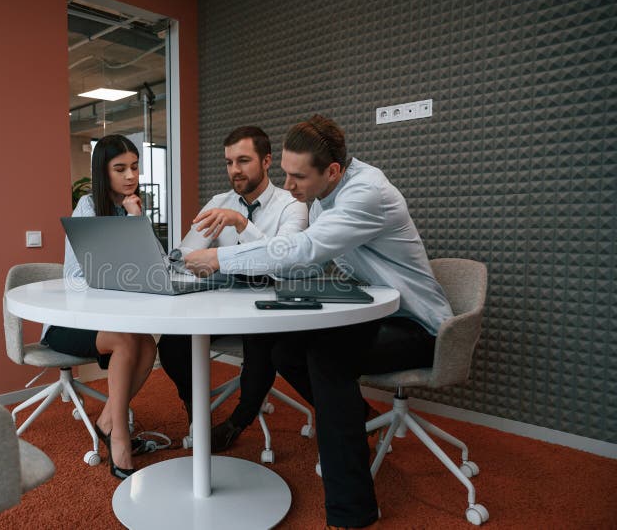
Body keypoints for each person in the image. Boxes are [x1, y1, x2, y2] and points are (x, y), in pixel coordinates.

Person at [184, 115, 453, 528]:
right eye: (286, 174)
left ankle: (352, 513)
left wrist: (222, 256)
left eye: (297, 176)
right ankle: (356, 420)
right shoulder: (329, 193)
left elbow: (305, 248)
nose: (288, 186)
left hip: (417, 324)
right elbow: (302, 260)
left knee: (328, 360)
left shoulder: (367, 192)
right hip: (375, 311)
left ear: (332, 170)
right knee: (286, 348)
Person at [157, 126, 308, 451]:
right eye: (229, 162)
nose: (234, 170)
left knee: (261, 342)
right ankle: (197, 411)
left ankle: (239, 420)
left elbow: (282, 260)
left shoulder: (291, 206)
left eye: (243, 160)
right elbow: (187, 252)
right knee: (171, 344)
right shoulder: (218, 202)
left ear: (267, 161)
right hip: (222, 303)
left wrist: (241, 224)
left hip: (271, 300)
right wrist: (181, 257)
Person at [43, 134, 158, 480]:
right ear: (103, 171)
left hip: (112, 320)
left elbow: (155, 266)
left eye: (134, 167)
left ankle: (107, 419)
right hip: (71, 320)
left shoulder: (133, 207)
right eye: (120, 168)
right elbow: (76, 276)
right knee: (125, 341)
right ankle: (119, 435)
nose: (130, 176)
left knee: (149, 345)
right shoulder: (88, 208)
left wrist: (138, 220)